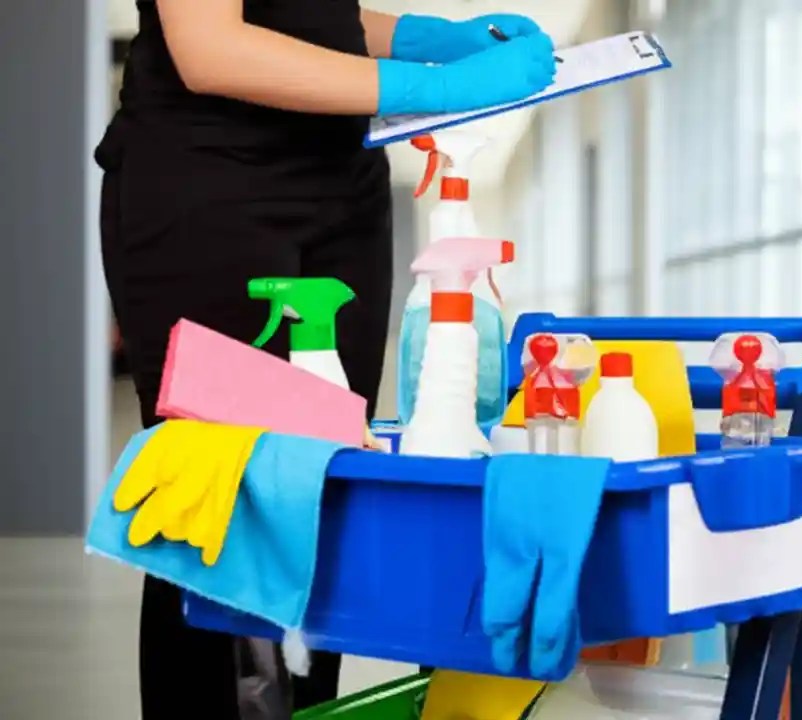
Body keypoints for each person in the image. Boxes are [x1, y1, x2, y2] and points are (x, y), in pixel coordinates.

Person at [97, 1, 556, 717]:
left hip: (342, 181)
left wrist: (419, 37)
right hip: (214, 181)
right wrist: (430, 88)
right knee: (219, 498)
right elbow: (209, 48)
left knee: (322, 487)